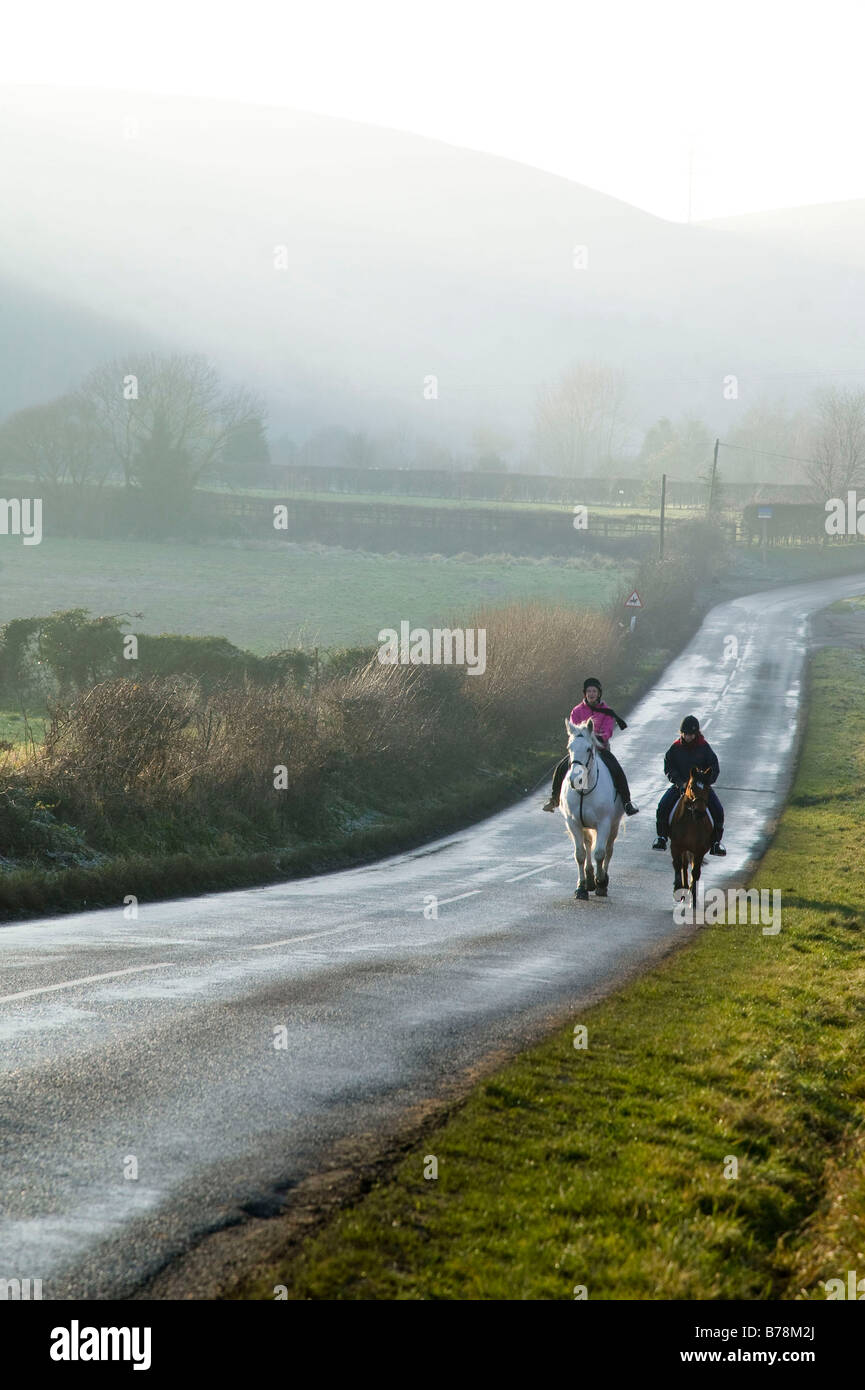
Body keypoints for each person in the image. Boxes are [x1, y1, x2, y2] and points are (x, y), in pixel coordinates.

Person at [542, 677, 639, 815]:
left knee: (616, 769)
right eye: (589, 691)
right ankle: (554, 799)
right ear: (585, 693)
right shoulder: (576, 711)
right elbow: (574, 730)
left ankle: (626, 802)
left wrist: (598, 738)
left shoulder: (607, 711)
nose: (591, 694)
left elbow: (608, 730)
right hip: (582, 751)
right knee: (561, 767)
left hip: (600, 749)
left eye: (594, 691)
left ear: (599, 693)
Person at [652, 714, 726, 855]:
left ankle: (716, 843)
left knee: (718, 810)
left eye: (691, 734)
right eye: (686, 734)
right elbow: (669, 767)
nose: (688, 737)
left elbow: (714, 766)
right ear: (682, 733)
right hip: (680, 786)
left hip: (700, 788)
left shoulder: (704, 748)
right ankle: (661, 837)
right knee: (662, 806)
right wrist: (679, 782)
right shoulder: (675, 748)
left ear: (696, 733)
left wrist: (705, 782)